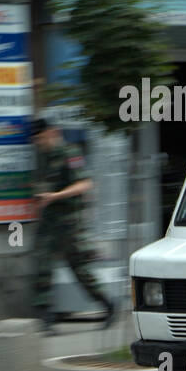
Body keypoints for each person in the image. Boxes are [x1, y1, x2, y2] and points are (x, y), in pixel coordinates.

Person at [30, 116, 117, 332]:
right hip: (49, 222)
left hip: (70, 223)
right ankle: (45, 318)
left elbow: (84, 184)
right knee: (42, 265)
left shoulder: (69, 153)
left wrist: (56, 196)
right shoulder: (42, 157)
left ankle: (108, 304)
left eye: (41, 138)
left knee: (79, 269)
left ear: (51, 133)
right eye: (36, 140)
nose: (39, 143)